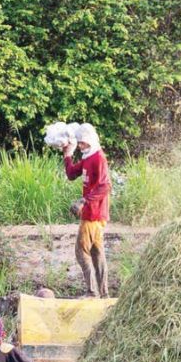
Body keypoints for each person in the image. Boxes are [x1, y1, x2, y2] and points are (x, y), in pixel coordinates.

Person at [63, 123, 111, 298]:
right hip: (92, 213)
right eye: (80, 143)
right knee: (97, 253)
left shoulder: (99, 158)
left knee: (81, 251)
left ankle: (91, 292)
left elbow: (105, 186)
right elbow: (71, 174)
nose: (81, 146)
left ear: (90, 141)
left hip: (94, 214)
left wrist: (84, 200)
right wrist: (67, 154)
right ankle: (103, 294)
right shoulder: (87, 157)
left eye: (83, 143)